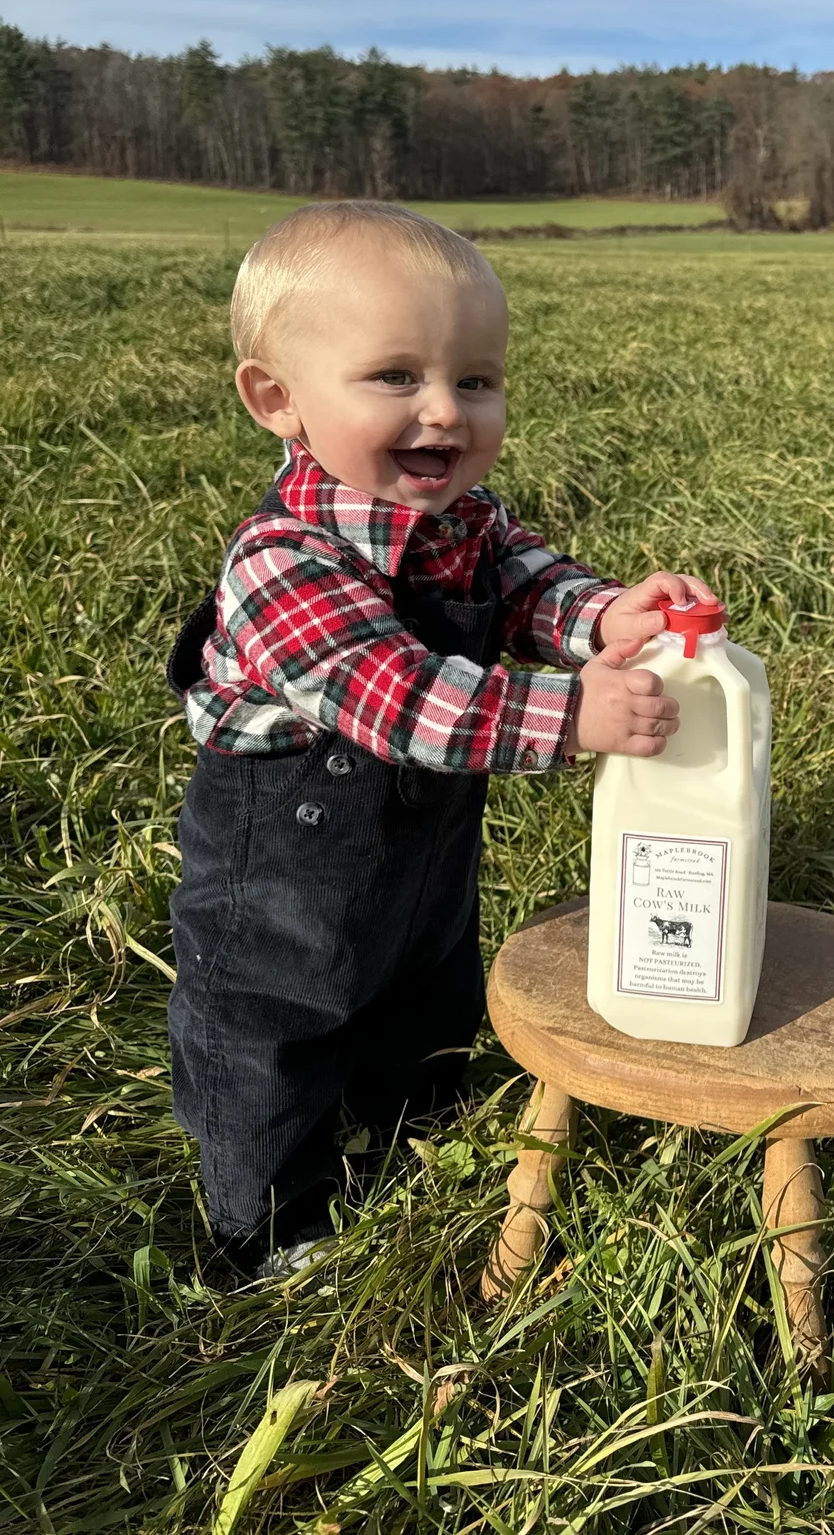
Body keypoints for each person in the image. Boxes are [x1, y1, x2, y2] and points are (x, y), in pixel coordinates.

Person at [166, 200, 710, 1275]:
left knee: (425, 986)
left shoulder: (471, 520)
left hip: (419, 852)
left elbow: (527, 582)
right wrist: (572, 714)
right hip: (283, 864)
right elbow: (401, 697)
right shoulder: (282, 561)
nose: (444, 413)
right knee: (274, 1026)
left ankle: (415, 1123)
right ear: (278, 399)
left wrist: (605, 617)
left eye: (474, 380)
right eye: (396, 377)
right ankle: (269, 1223)